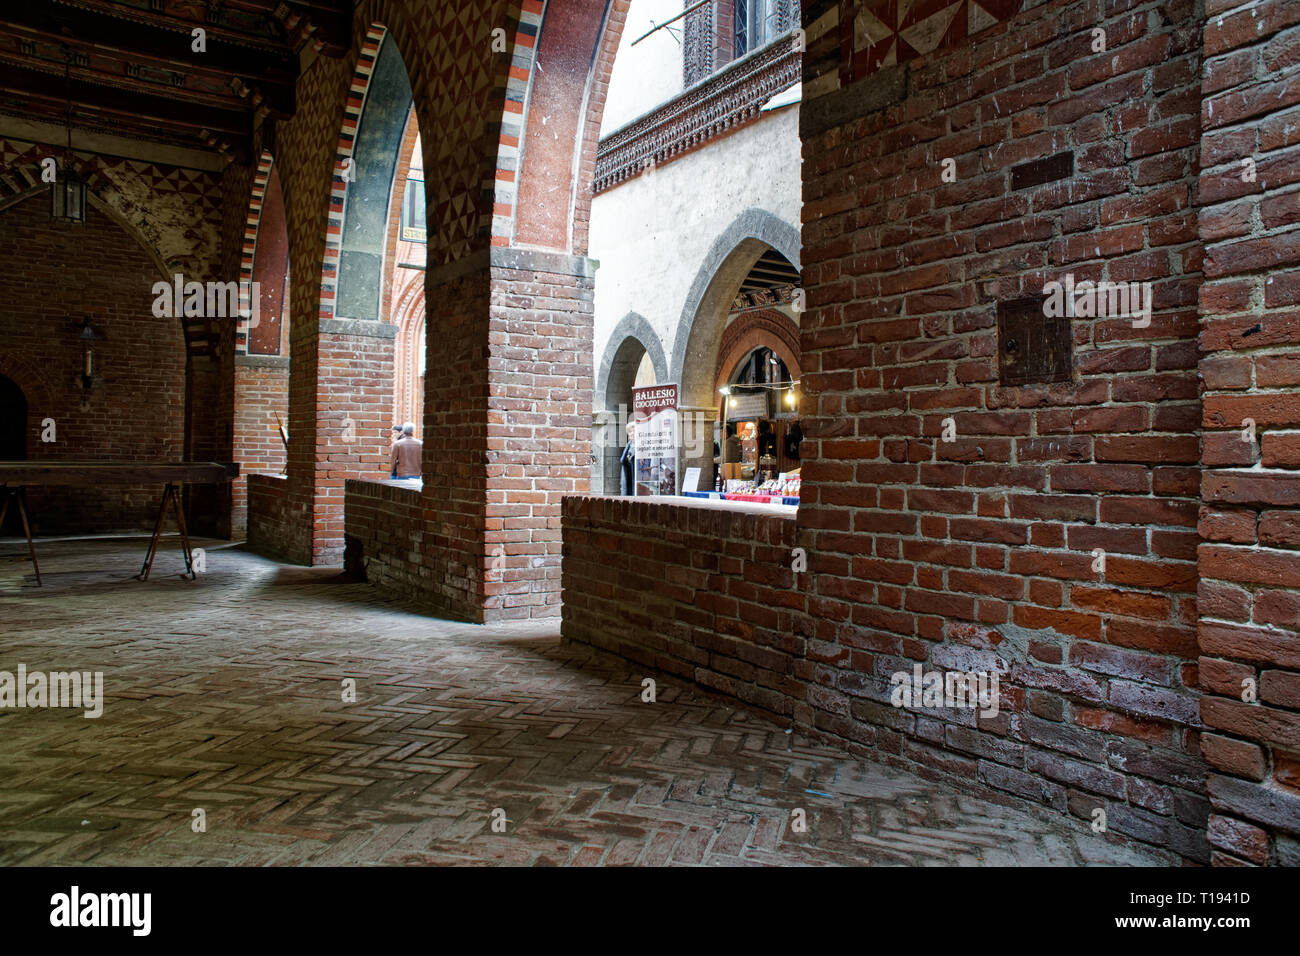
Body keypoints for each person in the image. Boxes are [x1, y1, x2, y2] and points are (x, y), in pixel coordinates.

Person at [619, 421, 635, 496]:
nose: (631, 433)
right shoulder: (629, 444)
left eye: (633, 431)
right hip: (627, 476)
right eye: (629, 431)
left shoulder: (641, 445)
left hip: (635, 477)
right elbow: (623, 460)